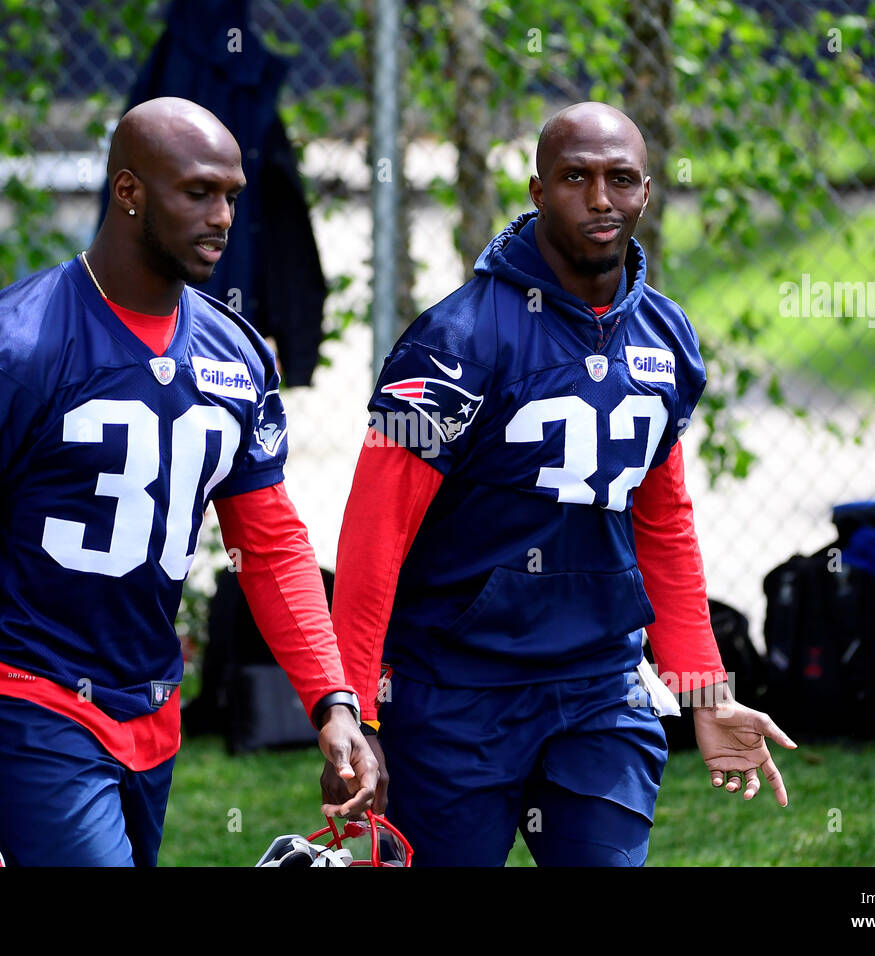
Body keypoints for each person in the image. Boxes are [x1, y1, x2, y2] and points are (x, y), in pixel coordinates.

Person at [0, 97, 376, 866]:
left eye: (231, 196)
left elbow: (273, 545)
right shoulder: (9, 345)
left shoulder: (237, 355)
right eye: (197, 192)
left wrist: (332, 699)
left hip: (149, 700)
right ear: (129, 192)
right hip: (26, 687)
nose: (223, 217)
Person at [322, 102, 796, 866]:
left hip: (598, 686)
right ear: (538, 190)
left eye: (621, 179)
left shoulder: (666, 337)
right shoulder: (452, 341)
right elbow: (377, 528)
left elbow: (663, 520)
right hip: (454, 690)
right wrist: (351, 712)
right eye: (576, 178)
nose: (601, 200)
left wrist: (704, 691)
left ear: (648, 191)